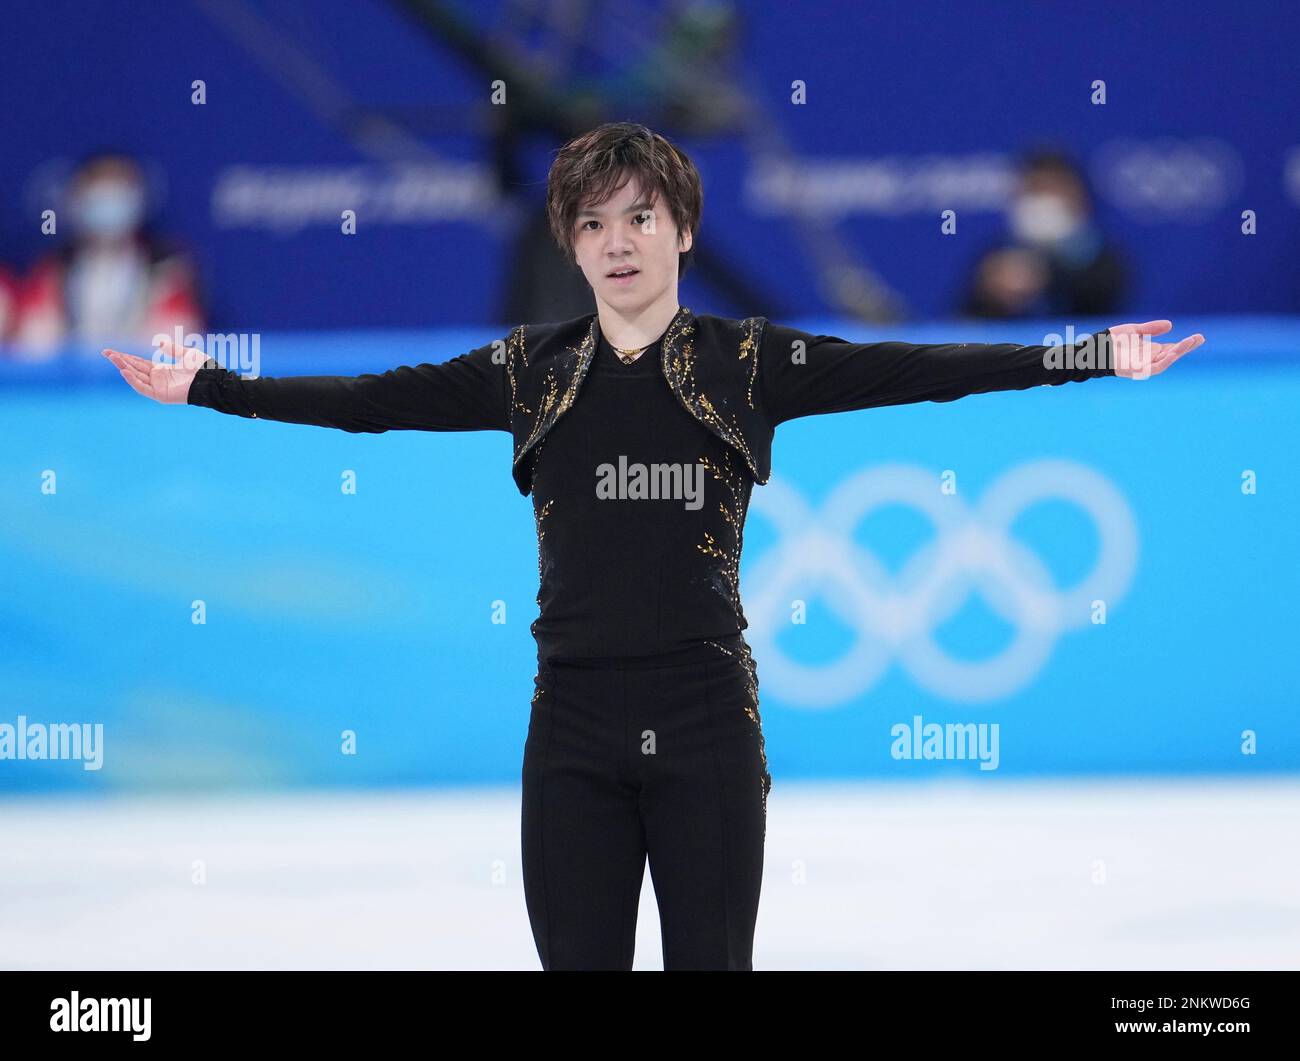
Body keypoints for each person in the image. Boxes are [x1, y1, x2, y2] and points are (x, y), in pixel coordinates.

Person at [102, 122, 1203, 970]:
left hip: (705, 723)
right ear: (569, 243)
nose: (616, 242)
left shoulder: (749, 361)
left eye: (638, 217)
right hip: (570, 727)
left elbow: (923, 369)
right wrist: (209, 386)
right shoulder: (528, 369)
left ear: (682, 228)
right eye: (591, 223)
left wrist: (1085, 353)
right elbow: (367, 401)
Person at [16, 152, 203, 355]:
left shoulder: (168, 269)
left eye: (118, 189)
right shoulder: (52, 270)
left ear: (139, 198)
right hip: (70, 383)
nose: (108, 201)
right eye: (98, 190)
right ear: (76, 199)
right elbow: (31, 342)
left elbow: (178, 336)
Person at [961, 148, 1128, 319]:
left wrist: (1046, 276)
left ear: (1081, 198)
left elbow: (1102, 303)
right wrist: (991, 295)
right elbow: (963, 323)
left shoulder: (1101, 256)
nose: (1044, 200)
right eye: (1035, 189)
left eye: (1054, 190)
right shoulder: (995, 256)